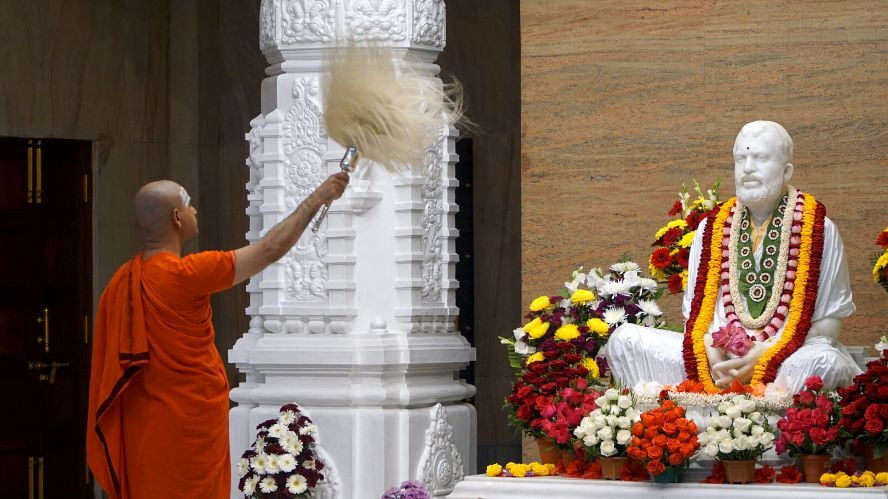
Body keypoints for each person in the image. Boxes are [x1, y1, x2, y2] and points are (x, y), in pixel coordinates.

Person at [86, 173, 349, 499]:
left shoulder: (121, 282)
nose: (195, 211)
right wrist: (316, 198)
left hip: (145, 428)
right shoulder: (187, 275)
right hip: (188, 428)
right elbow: (268, 250)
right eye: (190, 205)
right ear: (177, 217)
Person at [607, 121, 861, 394]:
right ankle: (702, 413)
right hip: (713, 359)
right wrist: (713, 351)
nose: (748, 167)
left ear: (787, 171)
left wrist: (765, 353)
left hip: (787, 357)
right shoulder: (711, 226)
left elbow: (827, 326)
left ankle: (765, 422)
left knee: (824, 361)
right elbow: (694, 319)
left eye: (760, 158)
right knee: (625, 339)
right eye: (741, 159)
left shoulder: (819, 229)